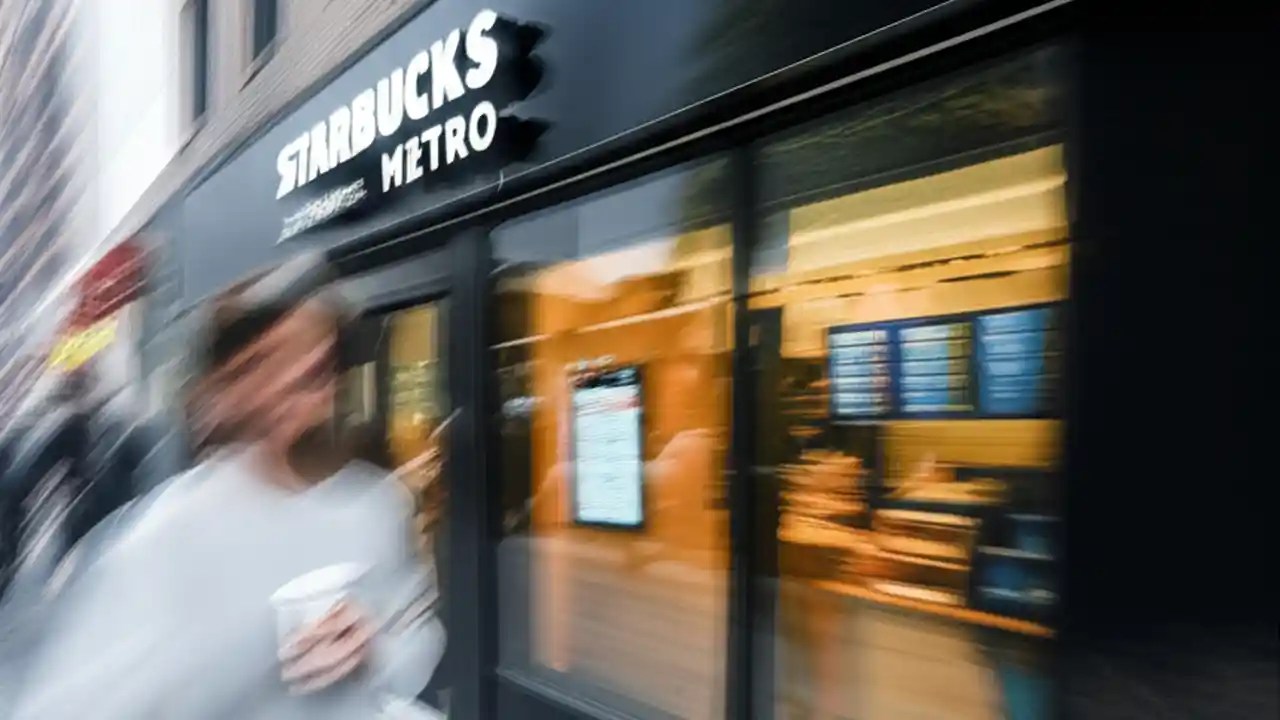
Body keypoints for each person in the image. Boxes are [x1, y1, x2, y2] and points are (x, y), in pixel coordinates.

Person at [12, 256, 445, 719]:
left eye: (312, 371)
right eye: (260, 365)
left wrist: (373, 648)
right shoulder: (167, 540)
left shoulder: (373, 506)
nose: (285, 387)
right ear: (223, 391)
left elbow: (418, 646)